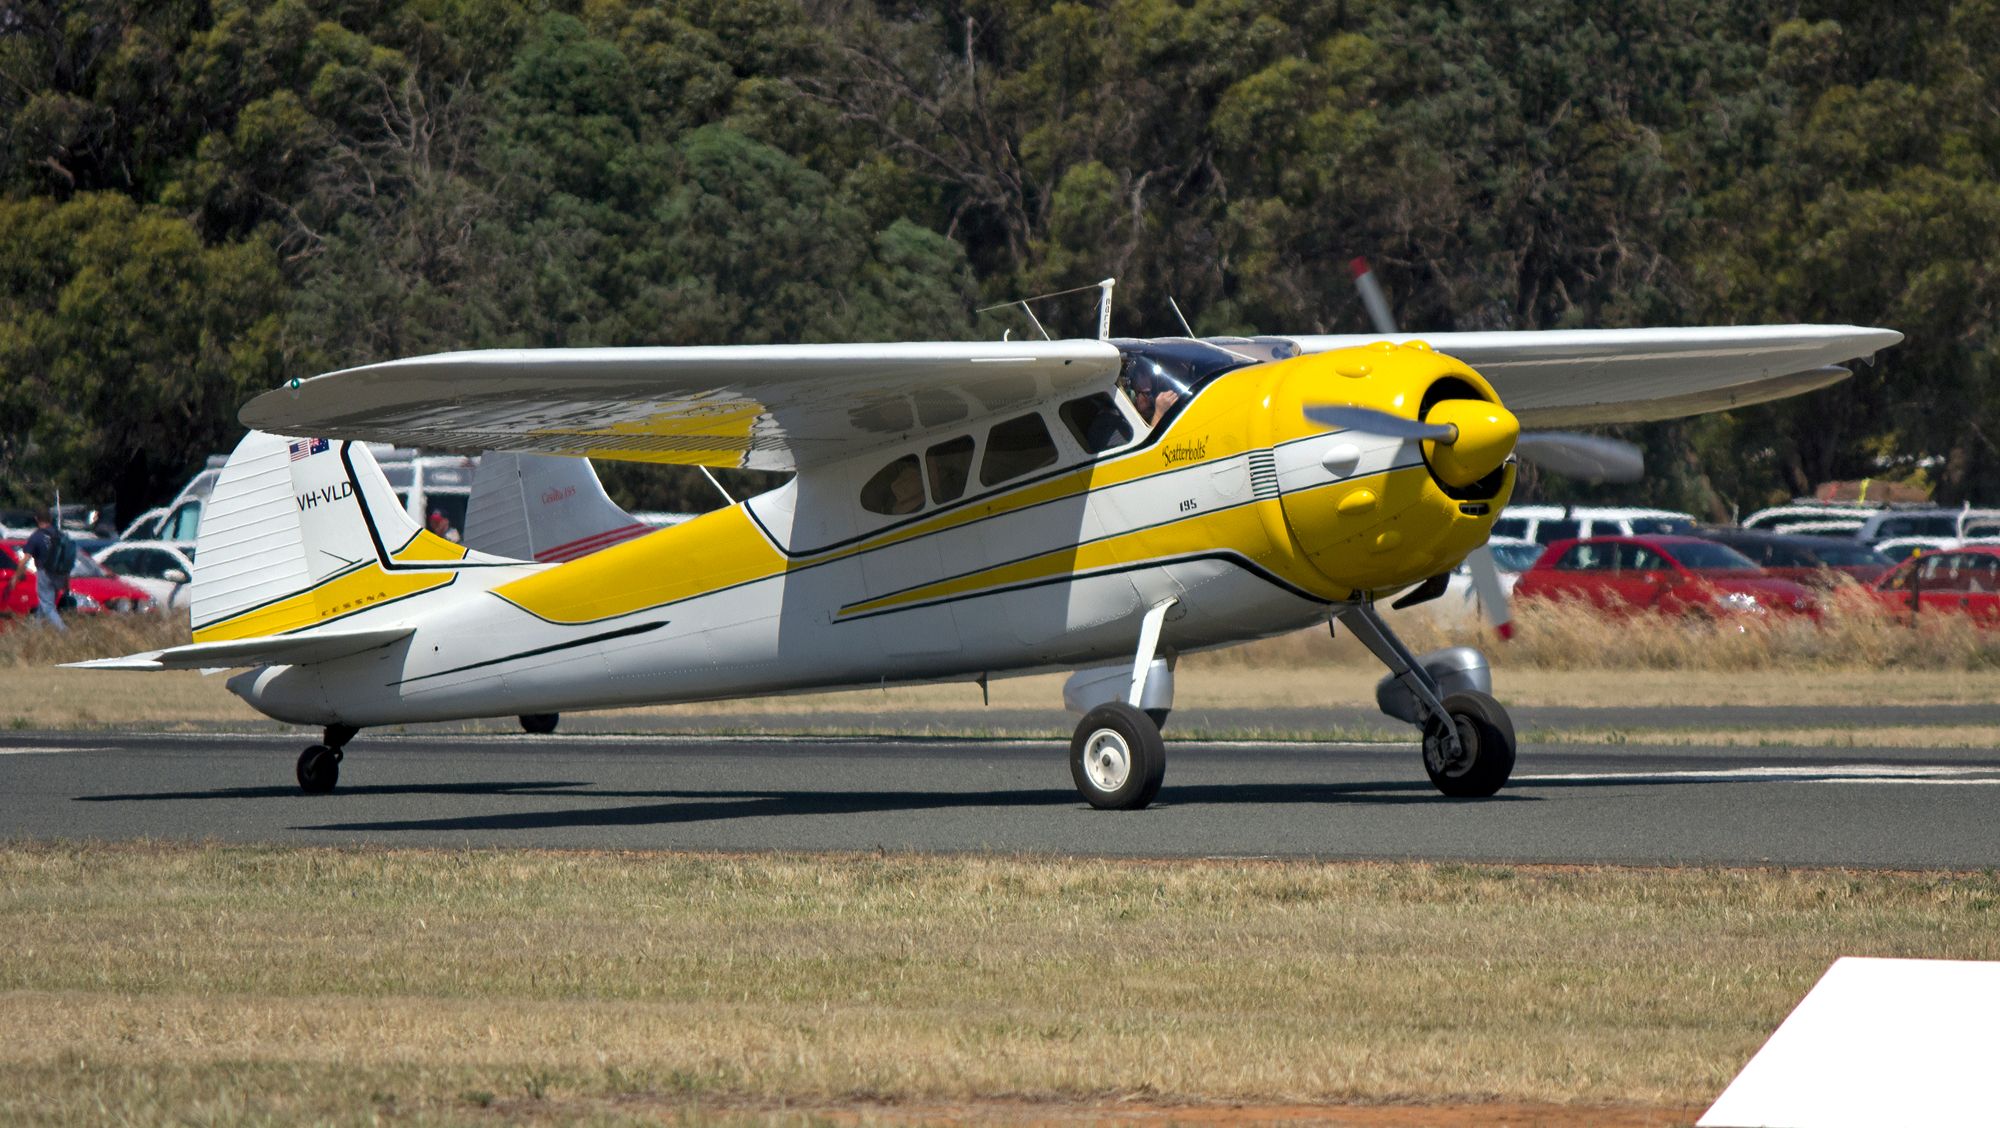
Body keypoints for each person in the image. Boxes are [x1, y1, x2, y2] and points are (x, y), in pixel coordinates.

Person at [22, 510, 68, 631]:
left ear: (37, 519)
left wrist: (17, 575)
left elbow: (26, 558)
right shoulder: (59, 535)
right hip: (59, 573)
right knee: (45, 602)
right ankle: (35, 631)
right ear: (50, 519)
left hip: (44, 573)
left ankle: (64, 632)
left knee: (47, 606)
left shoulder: (36, 536)